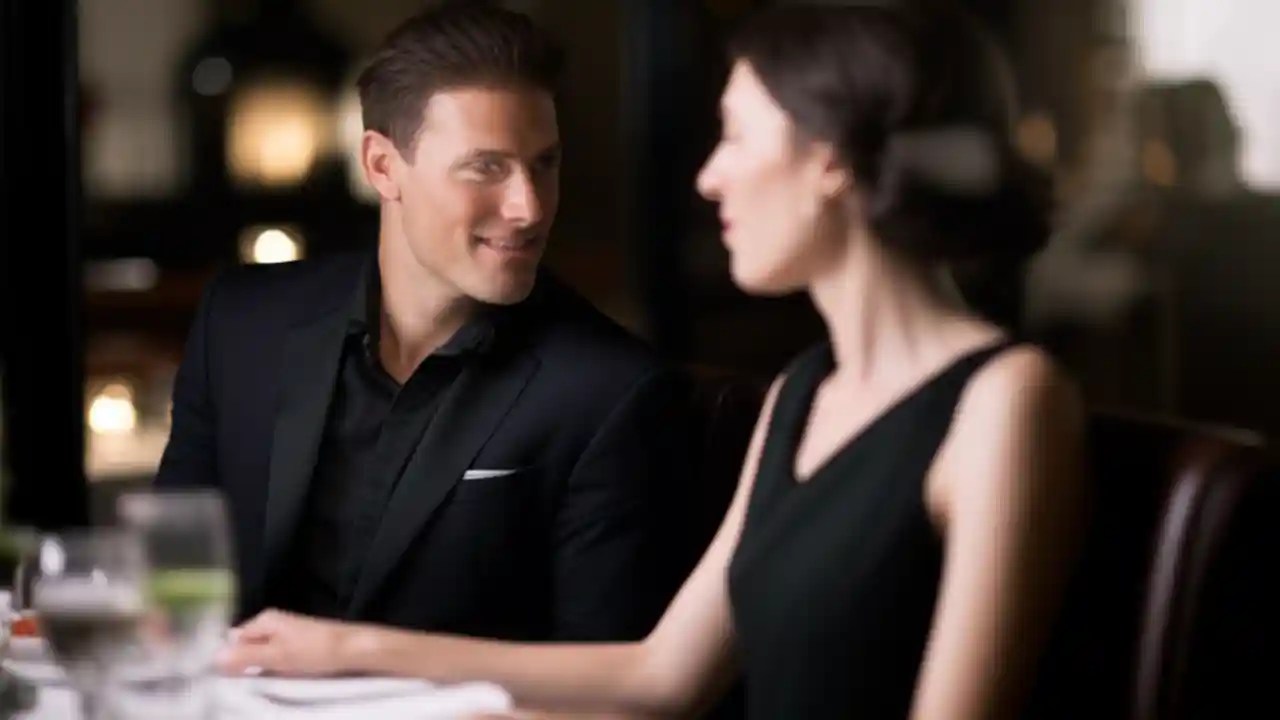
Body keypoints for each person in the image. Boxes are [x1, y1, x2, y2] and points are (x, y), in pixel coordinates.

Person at [216, 2, 1088, 717]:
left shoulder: (1010, 399)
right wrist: (343, 649)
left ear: (827, 160)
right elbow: (660, 677)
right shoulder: (808, 391)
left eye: (737, 138)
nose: (709, 178)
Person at [155, 3, 700, 645]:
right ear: (383, 167)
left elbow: (603, 686)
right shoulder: (241, 324)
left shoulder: (612, 393)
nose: (528, 207)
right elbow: (166, 585)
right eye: (487, 167)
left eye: (544, 163)